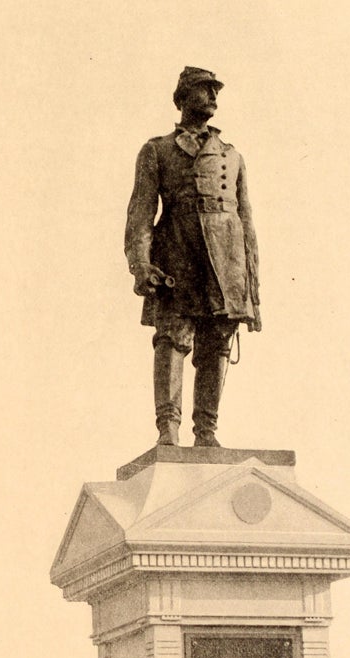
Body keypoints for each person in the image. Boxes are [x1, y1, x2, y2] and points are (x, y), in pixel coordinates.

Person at [125, 67, 261, 448]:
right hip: (178, 252)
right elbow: (140, 212)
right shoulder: (158, 150)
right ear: (183, 97)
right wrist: (140, 263)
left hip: (226, 259)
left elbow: (246, 221)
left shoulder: (232, 156)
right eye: (204, 89)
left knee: (217, 342)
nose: (213, 96)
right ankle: (168, 427)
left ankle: (207, 431)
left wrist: (251, 283)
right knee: (172, 338)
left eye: (215, 90)